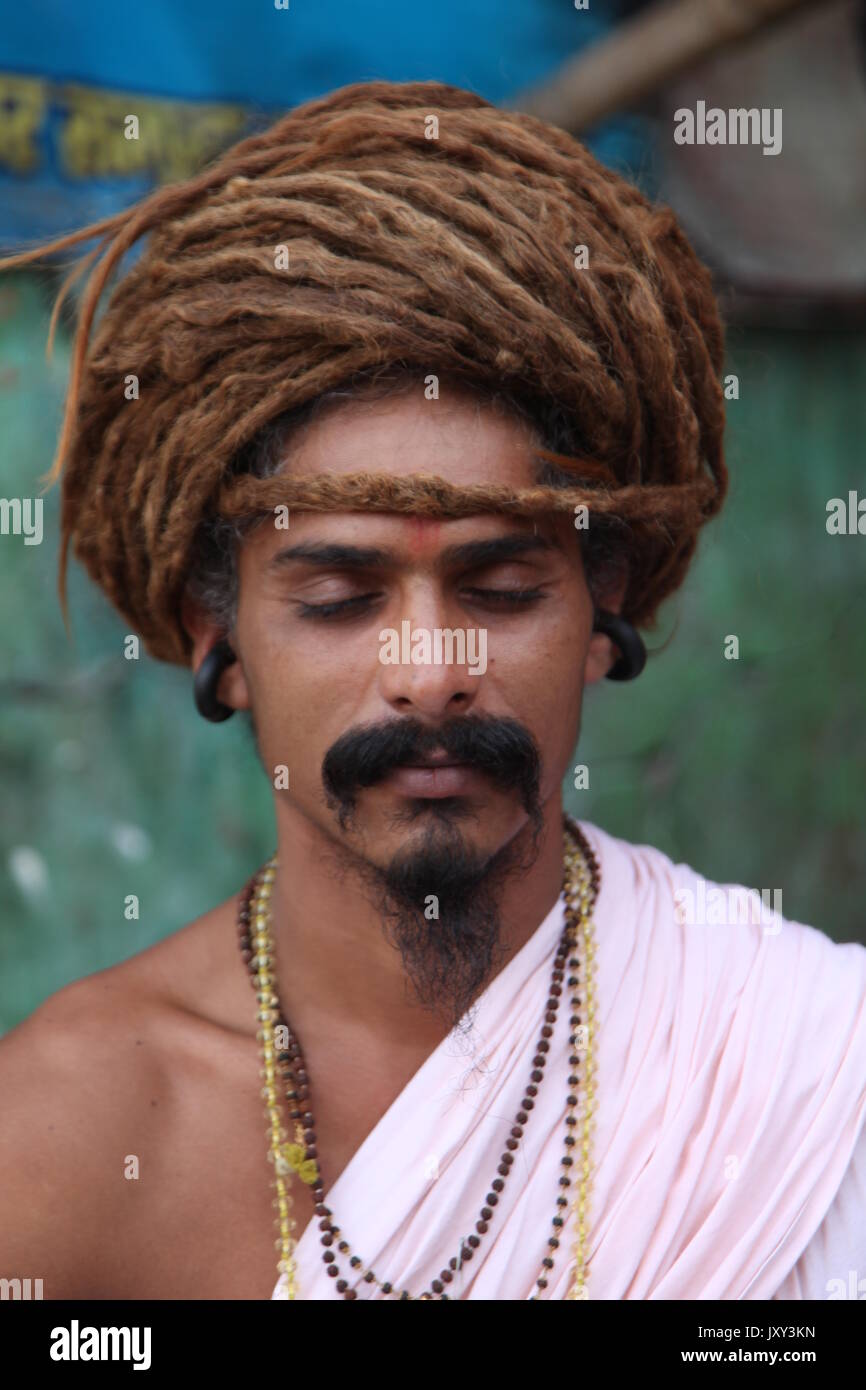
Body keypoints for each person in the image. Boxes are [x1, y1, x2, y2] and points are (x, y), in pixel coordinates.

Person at [0, 79, 863, 1302]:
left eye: (501, 587)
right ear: (219, 636)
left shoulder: (807, 1070)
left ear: (601, 610)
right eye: (340, 598)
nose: (429, 675)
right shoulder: (59, 1139)